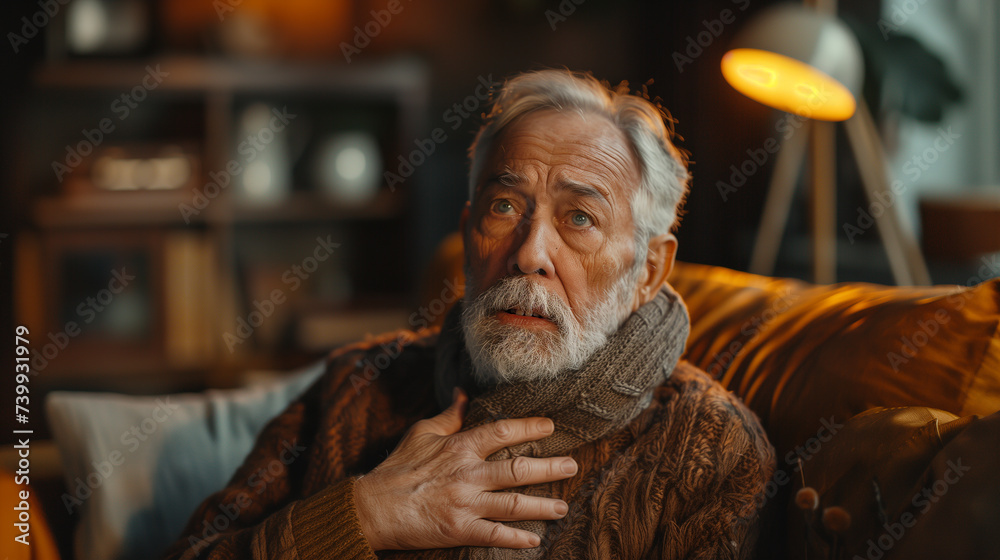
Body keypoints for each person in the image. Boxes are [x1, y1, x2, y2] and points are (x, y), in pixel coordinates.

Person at [163, 69, 775, 560]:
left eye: (580, 218)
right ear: (467, 233)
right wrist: (362, 516)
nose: (530, 254)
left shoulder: (712, 452)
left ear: (648, 272)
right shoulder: (357, 383)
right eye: (505, 206)